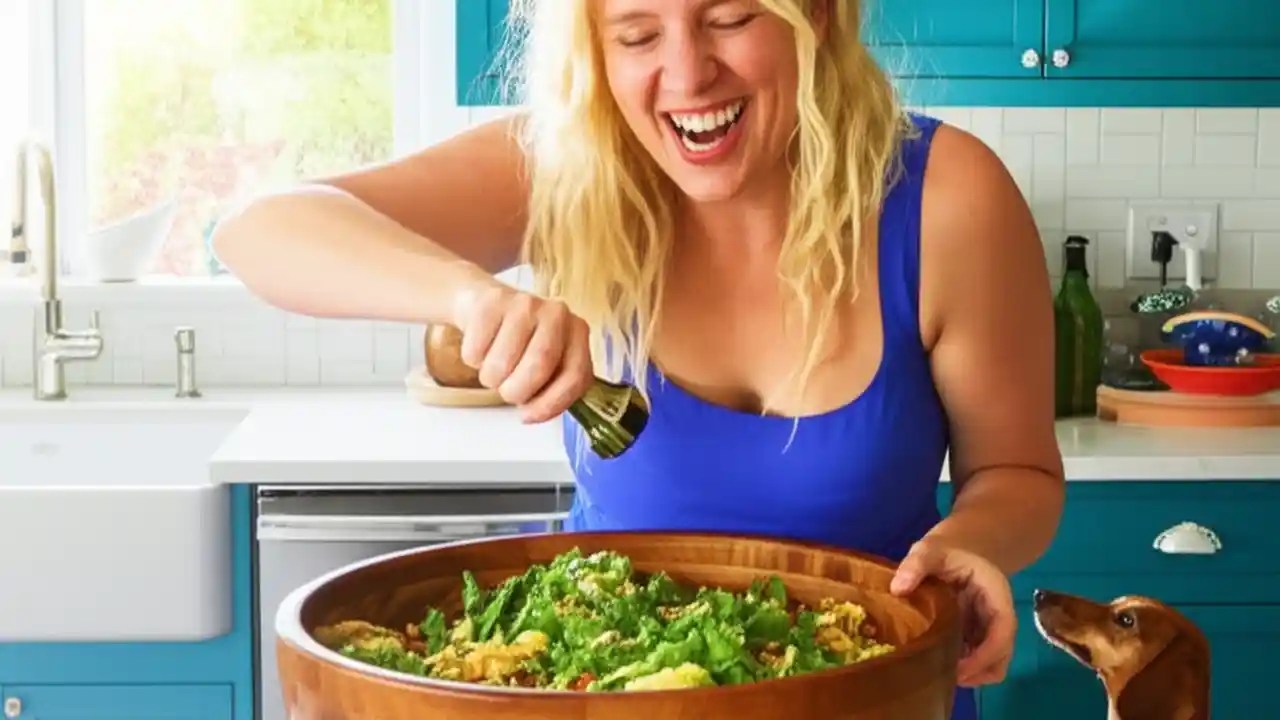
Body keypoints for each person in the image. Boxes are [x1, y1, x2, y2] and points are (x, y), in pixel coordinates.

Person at [212, 1, 1065, 716]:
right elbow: (261, 232)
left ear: (817, 14)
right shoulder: (572, 170)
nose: (689, 77)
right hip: (607, 687)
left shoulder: (947, 198)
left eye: (728, 18)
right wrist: (470, 296)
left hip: (872, 695)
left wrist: (969, 540)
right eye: (636, 34)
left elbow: (1019, 472)